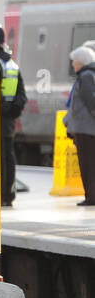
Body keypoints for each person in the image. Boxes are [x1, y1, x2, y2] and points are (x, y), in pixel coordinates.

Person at [0, 25, 27, 207]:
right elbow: (21, 94)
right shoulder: (12, 64)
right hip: (9, 120)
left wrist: (1, 108)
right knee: (9, 155)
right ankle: (9, 195)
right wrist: (13, 110)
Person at [65, 45, 95, 207]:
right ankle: (91, 195)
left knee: (88, 163)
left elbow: (90, 101)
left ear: (81, 62)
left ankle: (91, 197)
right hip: (85, 127)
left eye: (74, 61)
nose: (72, 64)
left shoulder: (86, 76)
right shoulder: (88, 75)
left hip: (86, 129)